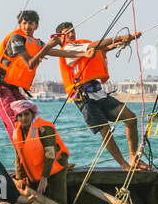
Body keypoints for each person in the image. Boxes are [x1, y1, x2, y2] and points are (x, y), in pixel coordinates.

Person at [55, 20, 150, 170]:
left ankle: (133, 158)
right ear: (60, 37)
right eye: (67, 32)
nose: (71, 34)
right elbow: (95, 45)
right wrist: (120, 37)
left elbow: (103, 49)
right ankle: (124, 165)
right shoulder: (68, 49)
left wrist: (126, 40)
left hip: (99, 93)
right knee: (105, 131)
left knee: (131, 118)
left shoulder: (80, 44)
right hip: (84, 98)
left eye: (72, 30)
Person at [0, 10, 74, 140]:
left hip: (13, 88)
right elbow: (30, 64)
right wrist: (47, 47)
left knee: (30, 117)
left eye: (31, 23)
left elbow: (57, 52)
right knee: (16, 122)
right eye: (24, 23)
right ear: (19, 24)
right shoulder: (16, 39)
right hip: (0, 87)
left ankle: (33, 152)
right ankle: (22, 156)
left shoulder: (35, 43)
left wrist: (82, 54)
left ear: (36, 25)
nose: (27, 26)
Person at [9, 100, 70, 204]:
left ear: (32, 114)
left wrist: (44, 178)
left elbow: (50, 154)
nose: (23, 118)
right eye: (20, 115)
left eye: (26, 114)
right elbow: (19, 155)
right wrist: (19, 177)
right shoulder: (17, 131)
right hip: (36, 170)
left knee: (58, 199)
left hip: (55, 166)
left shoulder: (45, 128)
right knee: (36, 199)